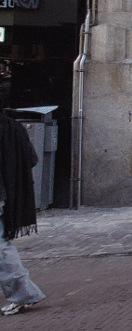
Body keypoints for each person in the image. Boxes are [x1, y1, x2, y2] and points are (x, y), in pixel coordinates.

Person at [0, 110, 45, 315]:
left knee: (1, 249)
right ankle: (24, 293)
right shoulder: (14, 127)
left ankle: (24, 293)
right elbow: (31, 159)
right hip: (5, 193)